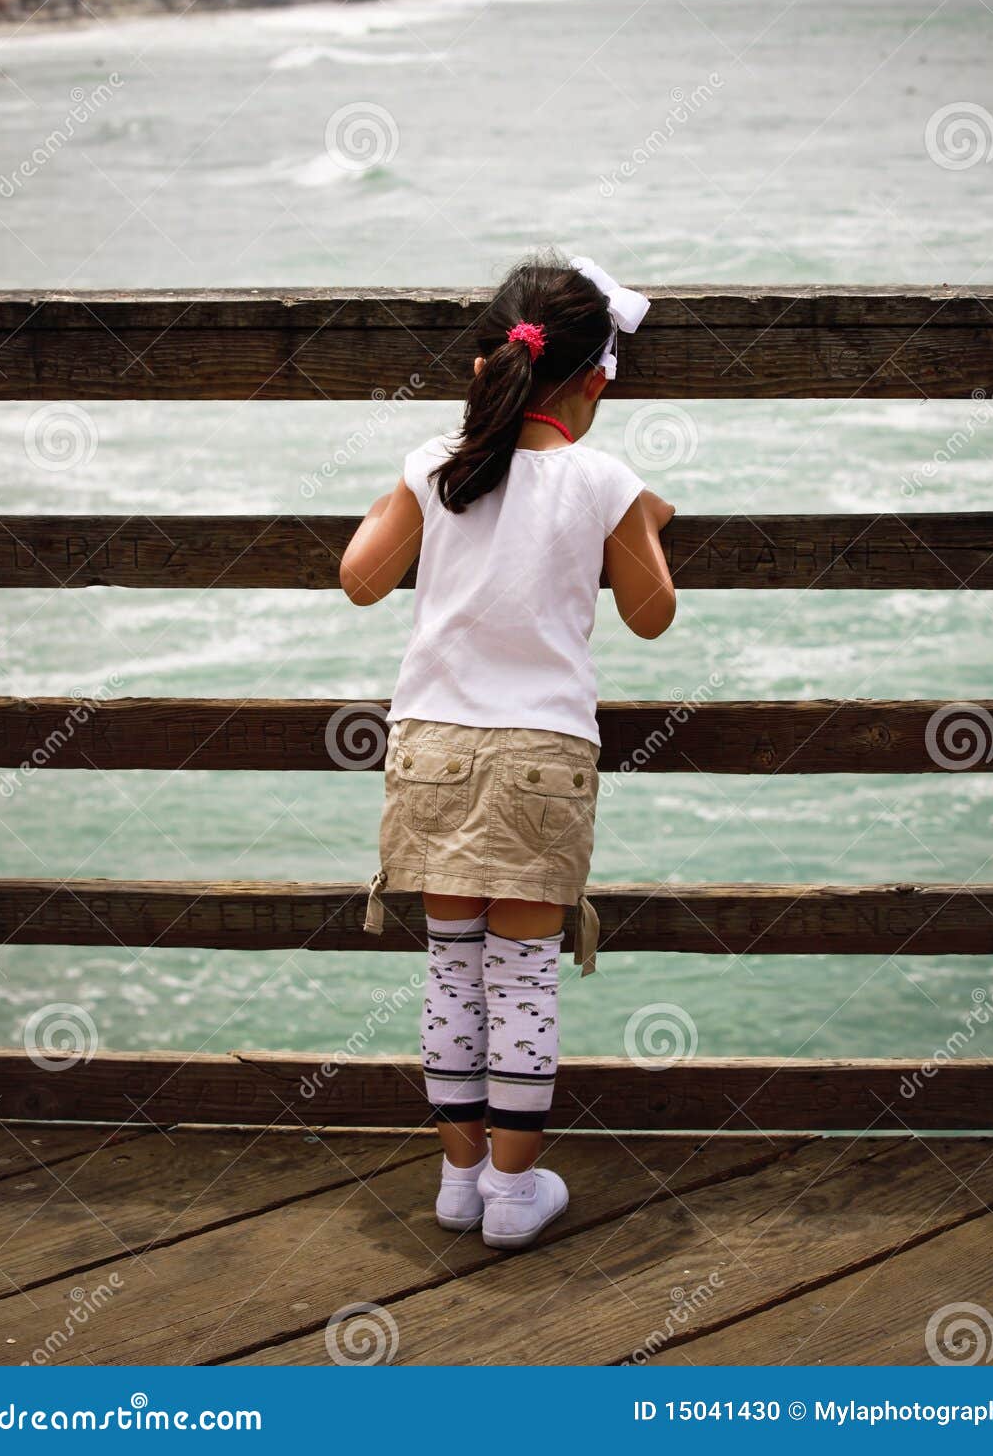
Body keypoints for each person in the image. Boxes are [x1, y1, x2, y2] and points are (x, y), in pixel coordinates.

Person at [340, 253, 676, 1250]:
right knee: (522, 974)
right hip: (541, 755)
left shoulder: (436, 463)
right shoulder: (601, 479)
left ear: (487, 361)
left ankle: (457, 1178)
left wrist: (390, 504)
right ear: (597, 380)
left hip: (432, 747)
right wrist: (644, 525)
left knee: (452, 968)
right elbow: (651, 615)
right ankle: (514, 1194)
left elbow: (360, 579)